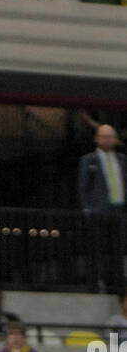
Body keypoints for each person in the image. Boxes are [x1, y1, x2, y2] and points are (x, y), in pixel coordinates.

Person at [78, 124, 126, 293]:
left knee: (118, 249)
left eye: (110, 137)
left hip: (117, 208)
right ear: (97, 139)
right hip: (97, 210)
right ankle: (95, 283)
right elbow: (83, 186)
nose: (107, 140)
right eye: (104, 137)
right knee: (96, 249)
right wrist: (87, 208)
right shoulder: (89, 160)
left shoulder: (121, 159)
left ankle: (117, 284)